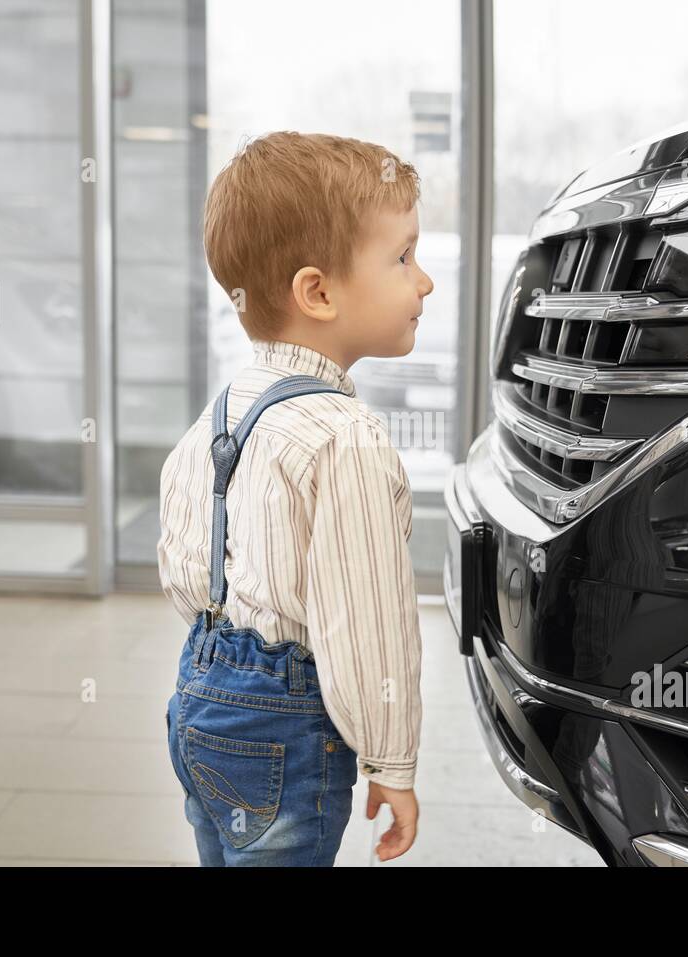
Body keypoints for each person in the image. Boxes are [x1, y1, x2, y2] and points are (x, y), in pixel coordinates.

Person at [158, 130, 434, 866]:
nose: (425, 281)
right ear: (318, 291)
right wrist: (391, 758)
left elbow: (183, 571)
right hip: (284, 722)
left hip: (198, 696)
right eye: (403, 256)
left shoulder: (217, 414)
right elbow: (367, 619)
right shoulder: (347, 436)